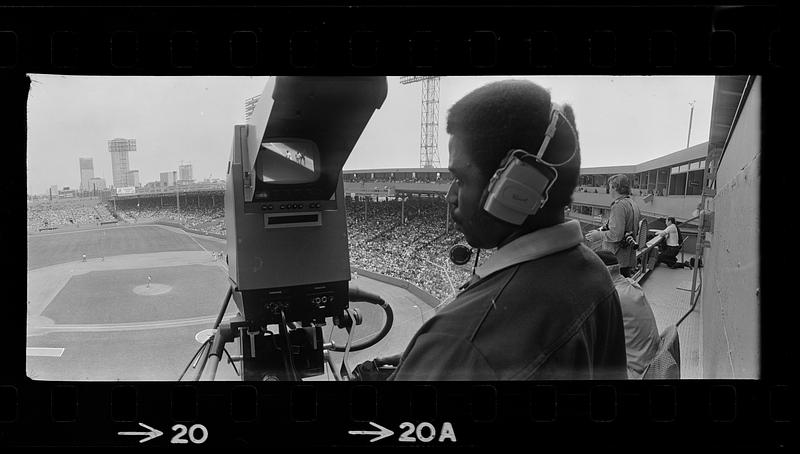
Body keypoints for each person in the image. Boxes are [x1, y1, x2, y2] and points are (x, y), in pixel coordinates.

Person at [359, 80, 627, 380]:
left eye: (460, 179)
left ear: (516, 187)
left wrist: (442, 357)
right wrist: (431, 363)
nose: (449, 196)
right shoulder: (596, 274)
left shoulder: (463, 340)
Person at [595, 250, 659, 379]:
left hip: (636, 372)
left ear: (600, 273)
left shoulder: (612, 298)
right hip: (651, 361)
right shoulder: (631, 284)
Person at [585, 174, 641, 277]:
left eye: (610, 186)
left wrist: (598, 235)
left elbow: (616, 235)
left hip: (616, 259)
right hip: (627, 258)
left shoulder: (618, 206)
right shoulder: (632, 203)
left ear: (615, 187)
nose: (609, 189)